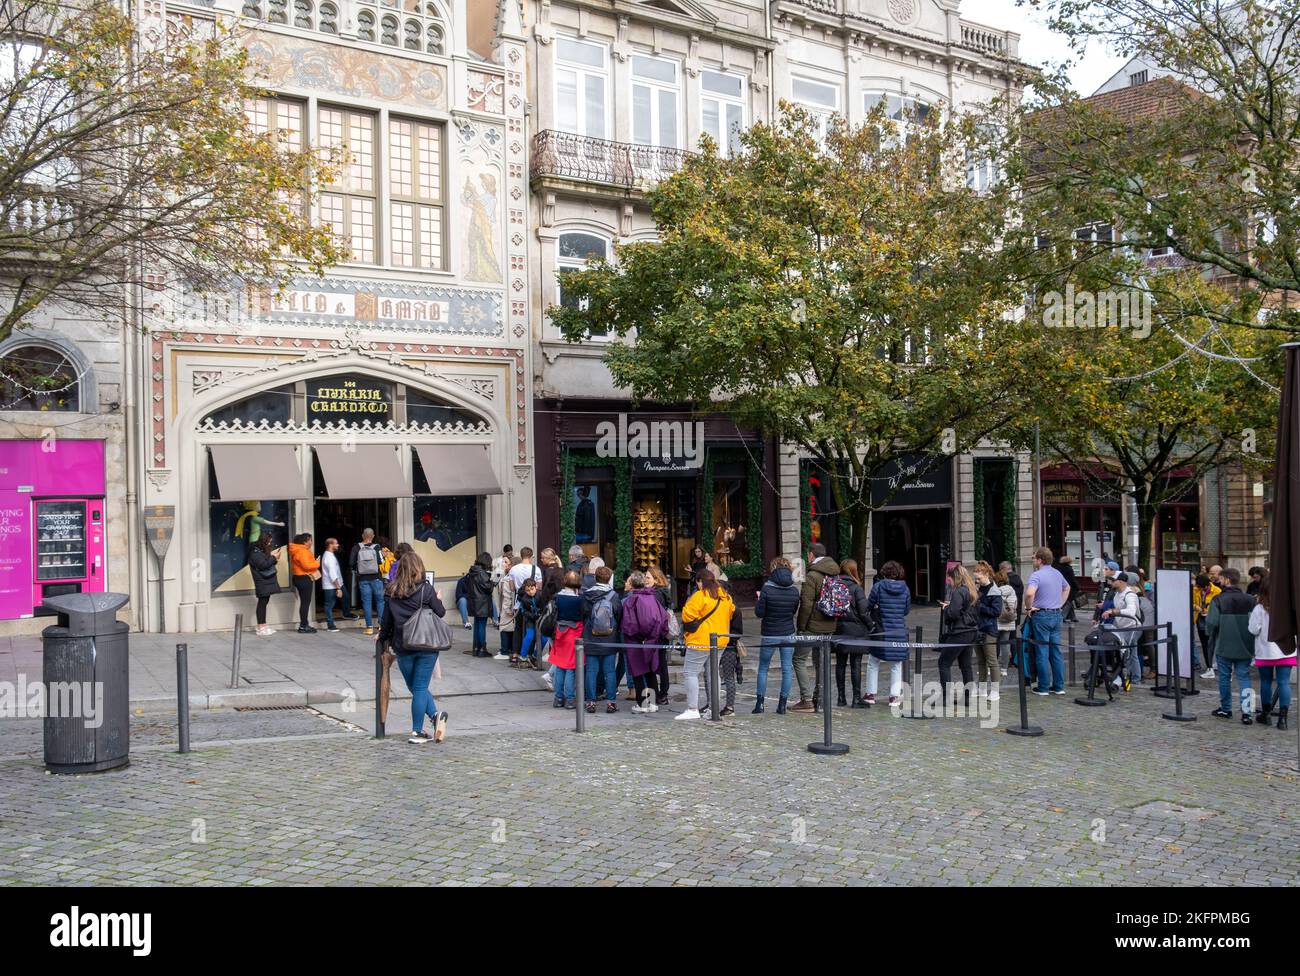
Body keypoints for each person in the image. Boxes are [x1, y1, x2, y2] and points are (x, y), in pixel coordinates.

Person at [377, 552, 449, 745]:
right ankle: (421, 728)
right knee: (418, 688)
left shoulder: (391, 591)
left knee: (416, 687)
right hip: (426, 645)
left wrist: (382, 641)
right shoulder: (426, 589)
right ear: (419, 568)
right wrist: (438, 598)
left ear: (400, 569)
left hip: (403, 646)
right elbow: (440, 612)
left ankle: (434, 718)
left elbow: (386, 622)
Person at [677, 565, 735, 721]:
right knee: (713, 673)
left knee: (690, 672)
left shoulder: (699, 596)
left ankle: (692, 708)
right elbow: (731, 613)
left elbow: (687, 616)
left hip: (700, 641)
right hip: (720, 640)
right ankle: (714, 708)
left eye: (698, 582)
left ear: (701, 581)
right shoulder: (726, 597)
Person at [794, 543, 841, 712]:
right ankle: (820, 699)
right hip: (830, 624)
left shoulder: (813, 575)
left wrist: (801, 626)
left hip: (812, 625)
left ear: (812, 555)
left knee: (798, 659)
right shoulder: (835, 572)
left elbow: (806, 604)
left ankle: (806, 699)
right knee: (821, 662)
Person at [1207, 567, 1257, 724]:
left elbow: (1211, 623)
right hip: (1245, 645)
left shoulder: (1218, 600)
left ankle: (1225, 708)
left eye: (1221, 579)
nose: (1219, 582)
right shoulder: (1250, 600)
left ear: (1227, 580)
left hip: (1225, 644)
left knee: (1224, 677)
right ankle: (1247, 712)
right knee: (1244, 677)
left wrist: (1211, 634)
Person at [754, 556, 799, 714]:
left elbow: (759, 613)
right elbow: (793, 611)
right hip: (788, 632)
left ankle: (760, 704)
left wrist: (759, 600)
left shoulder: (767, 589)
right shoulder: (794, 591)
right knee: (787, 668)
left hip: (770, 633)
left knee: (763, 668)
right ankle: (782, 705)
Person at [1023, 546, 1070, 696]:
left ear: (1040, 560)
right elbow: (1067, 587)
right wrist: (1060, 604)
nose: (1033, 560)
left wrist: (1029, 608)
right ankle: (1058, 686)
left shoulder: (1036, 575)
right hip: (1056, 615)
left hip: (1042, 616)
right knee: (1056, 652)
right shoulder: (1057, 573)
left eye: (1034, 558)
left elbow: (1030, 593)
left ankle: (1043, 687)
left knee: (1042, 652)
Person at [1249, 577, 1292, 730]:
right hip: (1286, 650)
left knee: (1266, 682)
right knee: (1284, 682)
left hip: (1266, 650)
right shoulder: (1289, 607)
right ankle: (1283, 719)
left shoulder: (1259, 609)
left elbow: (1253, 629)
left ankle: (1266, 714)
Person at [621, 571, 668, 714]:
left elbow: (629, 624)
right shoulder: (652, 598)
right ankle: (653, 703)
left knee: (637, 672)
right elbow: (663, 617)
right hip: (652, 639)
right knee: (650, 671)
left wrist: (635, 636)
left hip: (636, 640)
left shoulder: (631, 600)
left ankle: (642, 704)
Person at [865, 560, 910, 706]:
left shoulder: (878, 587)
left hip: (881, 630)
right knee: (896, 664)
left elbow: (869, 605)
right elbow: (906, 610)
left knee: (873, 661)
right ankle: (894, 696)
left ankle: (870, 694)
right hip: (898, 630)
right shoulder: (905, 589)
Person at [582, 565, 623, 713]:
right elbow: (619, 615)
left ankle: (591, 702)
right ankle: (611, 702)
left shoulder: (587, 595)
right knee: (610, 672)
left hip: (591, 637)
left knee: (591, 671)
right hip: (610, 637)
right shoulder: (614, 596)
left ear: (595, 578)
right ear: (609, 578)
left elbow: (584, 614)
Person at [831, 559, 872, 708]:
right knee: (856, 663)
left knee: (840, 664)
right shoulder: (856, 588)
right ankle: (856, 698)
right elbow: (863, 611)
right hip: (856, 630)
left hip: (839, 629)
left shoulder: (835, 586)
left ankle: (841, 698)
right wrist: (871, 625)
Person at [938, 564, 979, 709]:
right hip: (971, 631)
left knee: (944, 663)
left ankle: (946, 698)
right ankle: (967, 698)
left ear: (955, 577)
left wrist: (947, 608)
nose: (949, 580)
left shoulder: (958, 591)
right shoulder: (971, 590)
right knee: (966, 666)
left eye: (950, 577)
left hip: (959, 632)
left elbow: (954, 613)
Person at [549, 571, 586, 708]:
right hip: (574, 633)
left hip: (559, 632)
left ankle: (558, 698)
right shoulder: (579, 600)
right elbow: (583, 615)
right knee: (571, 667)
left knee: (560, 666)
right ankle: (570, 699)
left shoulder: (557, 597)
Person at [1100, 572, 1142, 689]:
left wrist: (1113, 612)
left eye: (1113, 580)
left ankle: (1132, 678)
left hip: (1133, 627)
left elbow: (1131, 611)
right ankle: (1129, 677)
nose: (1111, 583)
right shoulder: (1117, 594)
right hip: (1122, 627)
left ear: (1121, 582)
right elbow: (1118, 609)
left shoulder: (1130, 595)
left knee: (1128, 653)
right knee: (1126, 652)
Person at [971, 561, 1004, 701]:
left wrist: (979, 606)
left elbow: (996, 612)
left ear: (986, 574)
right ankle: (982, 688)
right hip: (978, 628)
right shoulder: (979, 590)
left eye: (978, 578)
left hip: (989, 629)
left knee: (992, 660)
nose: (976, 581)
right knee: (980, 660)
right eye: (975, 579)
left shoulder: (995, 592)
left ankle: (995, 691)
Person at [350, 528, 385, 637]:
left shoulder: (356, 547)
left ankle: (369, 627)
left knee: (366, 603)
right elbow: (381, 562)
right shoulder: (377, 547)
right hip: (376, 578)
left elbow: (351, 562)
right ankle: (381, 626)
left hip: (363, 579)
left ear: (362, 536)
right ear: (373, 536)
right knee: (380, 601)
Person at [648, 565, 675, 705]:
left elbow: (655, 616)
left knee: (655, 664)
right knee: (662, 663)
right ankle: (663, 693)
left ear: (656, 579)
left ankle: (660, 694)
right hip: (662, 633)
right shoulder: (663, 592)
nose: (645, 580)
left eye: (648, 577)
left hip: (656, 633)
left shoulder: (655, 594)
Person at [248, 535, 282, 637]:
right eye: (268, 542)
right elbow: (263, 565)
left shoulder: (259, 551)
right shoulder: (255, 553)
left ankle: (263, 625)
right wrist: (273, 557)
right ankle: (261, 627)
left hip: (264, 581)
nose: (269, 544)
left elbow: (267, 563)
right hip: (261, 581)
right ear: (263, 541)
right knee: (262, 603)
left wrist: (274, 558)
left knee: (264, 602)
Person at [320, 537, 355, 632]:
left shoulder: (330, 555)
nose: (338, 545)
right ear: (330, 545)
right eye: (336, 543)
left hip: (338, 583)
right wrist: (338, 588)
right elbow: (332, 574)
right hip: (331, 586)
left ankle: (346, 613)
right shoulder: (329, 557)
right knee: (329, 605)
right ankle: (330, 625)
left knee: (346, 597)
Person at [288, 533, 320, 634]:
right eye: (310, 540)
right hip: (304, 578)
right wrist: (317, 562)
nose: (311, 542)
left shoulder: (298, 549)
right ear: (305, 541)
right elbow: (307, 566)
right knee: (305, 603)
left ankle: (304, 624)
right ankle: (303, 626)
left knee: (304, 602)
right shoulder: (302, 551)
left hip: (299, 577)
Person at [1192, 572, 1221, 678]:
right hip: (1200, 619)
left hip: (1212, 619)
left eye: (1202, 588)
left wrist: (1209, 611)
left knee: (1214, 643)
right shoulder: (1196, 590)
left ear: (1207, 585)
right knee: (1204, 644)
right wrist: (1196, 607)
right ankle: (1209, 667)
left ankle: (1217, 665)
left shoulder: (1217, 591)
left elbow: (1219, 605)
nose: (1201, 590)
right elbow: (1191, 602)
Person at [467, 552, 495, 658]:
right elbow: (487, 587)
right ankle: (482, 649)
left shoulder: (473, 571)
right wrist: (492, 583)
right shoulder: (481, 573)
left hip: (474, 601)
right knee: (482, 626)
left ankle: (476, 648)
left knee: (478, 625)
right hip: (482, 602)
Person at [514, 577, 545, 670]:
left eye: (532, 589)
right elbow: (524, 612)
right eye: (528, 590)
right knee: (529, 637)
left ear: (536, 587)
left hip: (541, 620)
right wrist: (533, 615)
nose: (530, 592)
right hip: (530, 620)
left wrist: (541, 613)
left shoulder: (541, 595)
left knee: (544, 638)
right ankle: (523, 657)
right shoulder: (524, 599)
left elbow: (546, 607)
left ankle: (534, 656)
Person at [993, 567, 1018, 679]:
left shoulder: (995, 591)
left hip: (998, 620)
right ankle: (1004, 669)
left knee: (993, 645)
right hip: (1009, 622)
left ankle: (992, 668)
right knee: (1005, 645)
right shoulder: (1012, 590)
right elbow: (1015, 605)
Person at [498, 570, 518, 662]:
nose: (504, 565)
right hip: (515, 606)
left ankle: (505, 651)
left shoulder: (507, 579)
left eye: (506, 562)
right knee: (513, 628)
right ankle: (511, 649)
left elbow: (507, 596)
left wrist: (507, 609)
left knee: (505, 627)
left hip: (509, 607)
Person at [490, 545, 512, 626]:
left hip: (506, 583)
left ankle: (503, 619)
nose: (509, 555)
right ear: (504, 552)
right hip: (496, 582)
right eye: (508, 553)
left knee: (505, 600)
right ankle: (496, 619)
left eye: (511, 553)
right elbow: (492, 571)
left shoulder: (512, 560)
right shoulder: (496, 560)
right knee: (496, 601)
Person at [998, 561, 1024, 625]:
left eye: (1000, 570)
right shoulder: (1018, 577)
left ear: (1003, 569)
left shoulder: (1005, 580)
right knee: (1014, 630)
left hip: (1007, 613)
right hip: (1016, 610)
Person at [1055, 555, 1078, 621]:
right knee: (1068, 602)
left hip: (1060, 587)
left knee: (1069, 602)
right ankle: (1062, 617)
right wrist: (1077, 587)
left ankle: (1073, 617)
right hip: (1069, 587)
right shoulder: (1068, 568)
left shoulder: (1058, 568)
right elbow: (1072, 579)